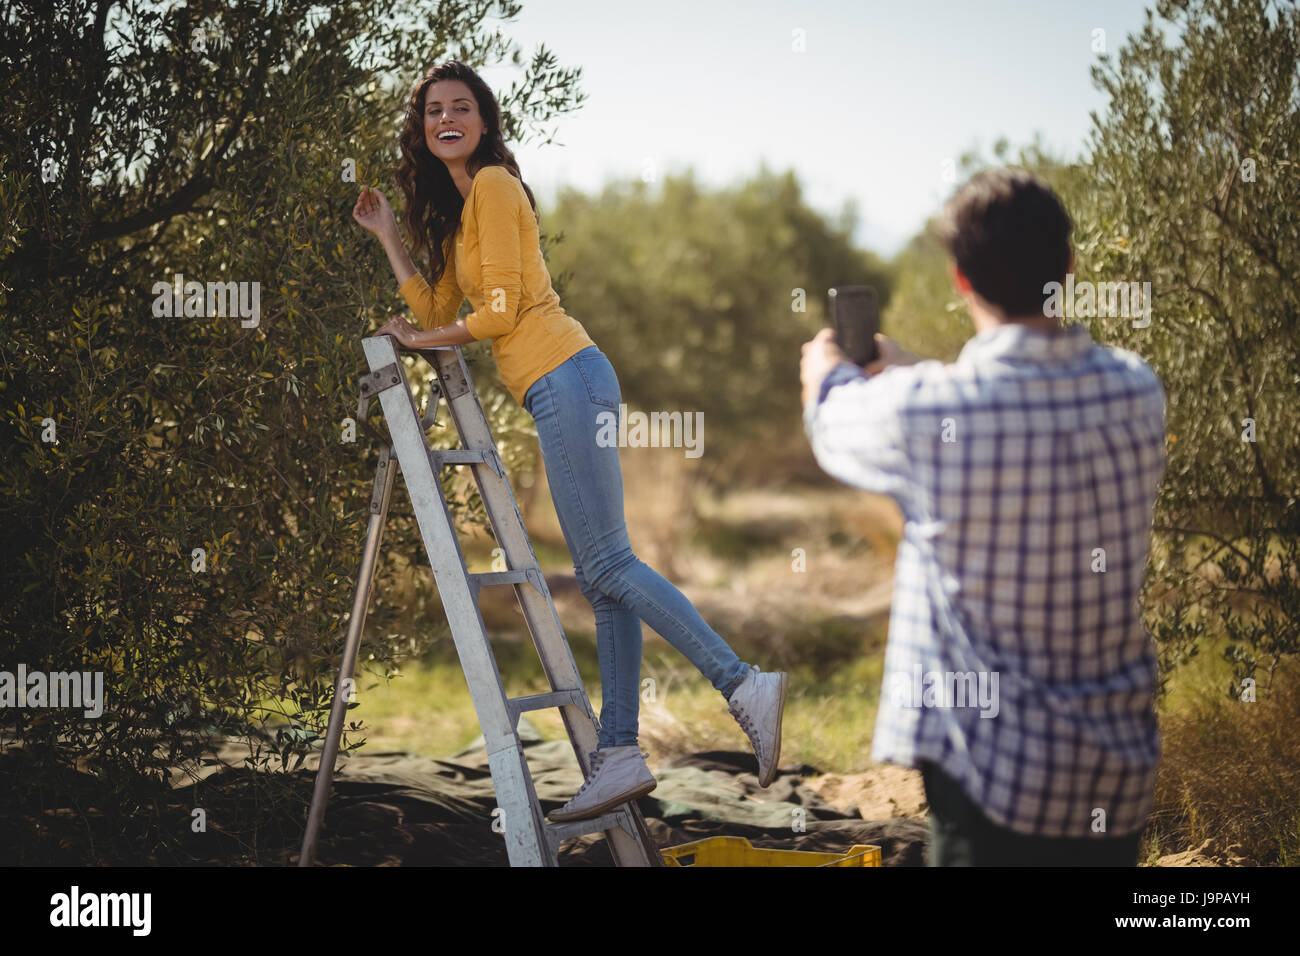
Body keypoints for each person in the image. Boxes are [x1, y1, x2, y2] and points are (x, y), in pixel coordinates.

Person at [351, 61, 788, 822]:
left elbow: (494, 314)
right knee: (604, 575)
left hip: (565, 375)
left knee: (609, 565)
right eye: (432, 111)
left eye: (461, 107)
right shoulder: (461, 216)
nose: (445, 119)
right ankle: (619, 751)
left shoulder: (492, 186)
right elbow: (432, 301)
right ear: (422, 130)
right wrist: (389, 236)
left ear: (484, 121)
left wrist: (419, 337)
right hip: (565, 380)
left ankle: (741, 682)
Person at [799, 167, 1166, 866]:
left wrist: (826, 365)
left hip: (990, 784)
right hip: (1112, 777)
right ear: (1068, 265)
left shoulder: (929, 413)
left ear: (960, 279)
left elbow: (832, 418)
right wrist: (910, 370)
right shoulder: (1138, 390)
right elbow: (1016, 401)